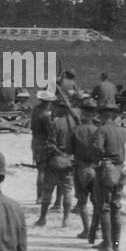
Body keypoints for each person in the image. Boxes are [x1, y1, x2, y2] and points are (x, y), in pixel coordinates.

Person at [36, 97, 76, 228]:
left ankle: (42, 218)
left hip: (56, 160)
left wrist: (45, 159)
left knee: (48, 190)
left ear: (60, 108)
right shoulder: (75, 124)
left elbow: (51, 144)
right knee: (67, 190)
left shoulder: (56, 124)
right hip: (69, 160)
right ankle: (65, 220)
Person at [93, 102, 126, 251]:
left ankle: (107, 246)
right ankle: (115, 244)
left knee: (105, 208)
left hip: (107, 169)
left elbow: (97, 148)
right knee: (115, 209)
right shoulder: (122, 131)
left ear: (102, 115)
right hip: (120, 170)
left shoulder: (102, 129)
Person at [71, 98, 102, 240]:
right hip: (96, 168)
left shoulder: (77, 130)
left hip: (81, 167)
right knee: (97, 202)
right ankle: (96, 229)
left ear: (82, 113)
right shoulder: (99, 131)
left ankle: (86, 230)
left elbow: (70, 149)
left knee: (82, 201)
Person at [28, 90, 54, 204]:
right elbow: (49, 132)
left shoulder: (35, 110)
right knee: (43, 170)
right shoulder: (45, 115)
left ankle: (39, 196)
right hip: (43, 141)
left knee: (40, 168)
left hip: (35, 140)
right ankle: (40, 196)